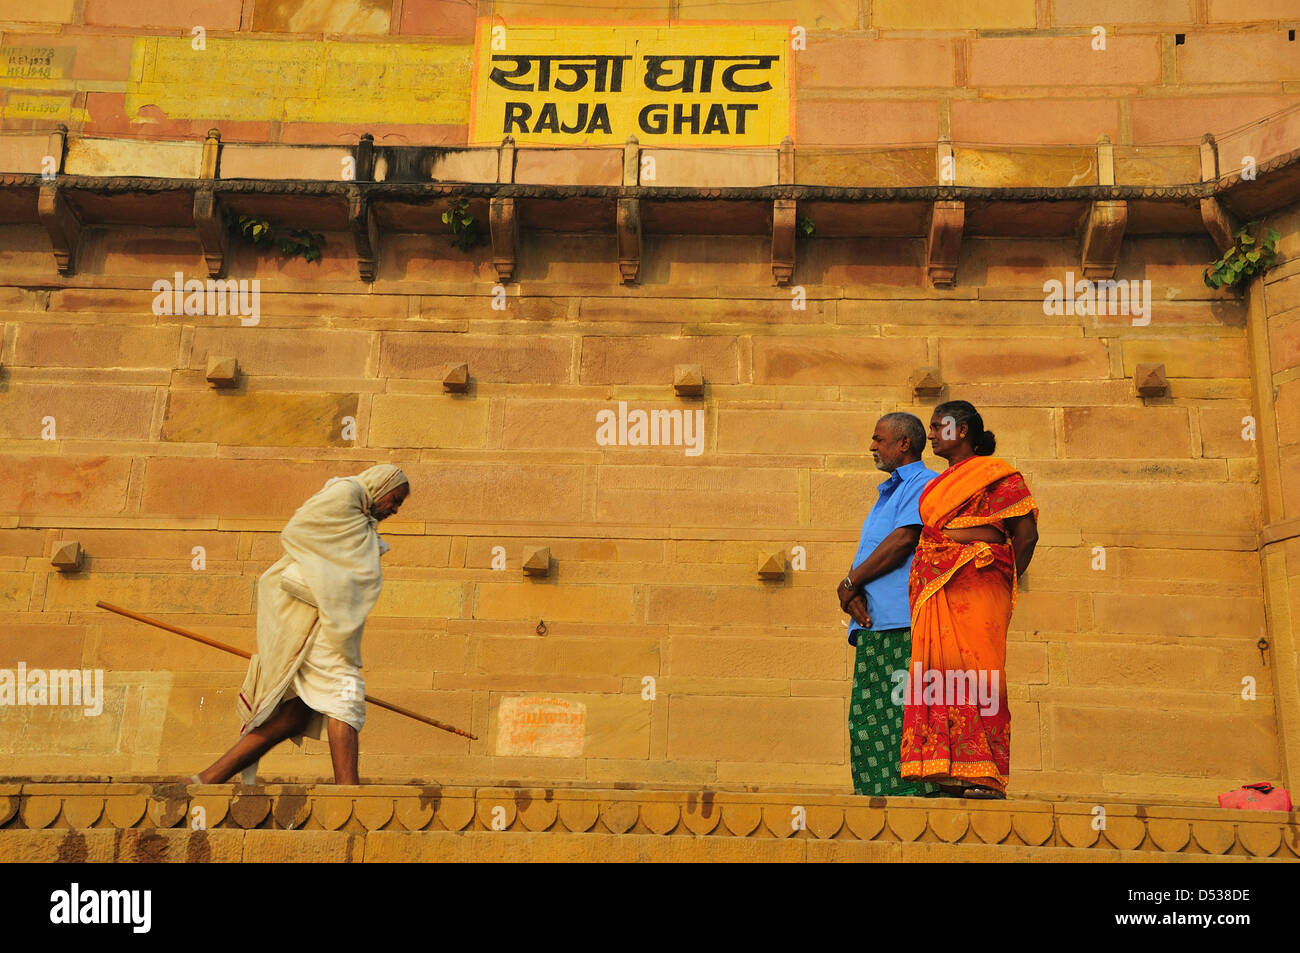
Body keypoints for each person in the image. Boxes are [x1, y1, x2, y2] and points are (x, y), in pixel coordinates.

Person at [193, 464, 410, 786]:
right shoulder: (347, 493)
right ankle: (349, 795)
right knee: (345, 698)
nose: (395, 508)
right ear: (383, 485)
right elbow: (297, 533)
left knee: (293, 717)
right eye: (396, 499)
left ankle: (206, 779)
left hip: (326, 625)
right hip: (317, 625)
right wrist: (333, 582)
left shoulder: (361, 521)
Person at [900, 401, 1038, 799]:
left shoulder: (999, 476)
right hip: (937, 590)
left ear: (962, 431)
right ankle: (946, 769)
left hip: (981, 588)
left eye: (937, 426)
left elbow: (1025, 536)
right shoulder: (933, 487)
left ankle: (987, 777)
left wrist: (1000, 578)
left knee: (982, 675)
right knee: (940, 675)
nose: (930, 435)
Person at [836, 412, 939, 797]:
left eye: (879, 439)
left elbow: (902, 541)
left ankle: (912, 803)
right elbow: (872, 548)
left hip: (903, 623)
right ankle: (875, 803)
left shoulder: (923, 483)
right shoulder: (889, 492)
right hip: (874, 625)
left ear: (904, 444)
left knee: (901, 718)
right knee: (867, 719)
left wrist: (850, 582)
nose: (872, 446)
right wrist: (852, 591)